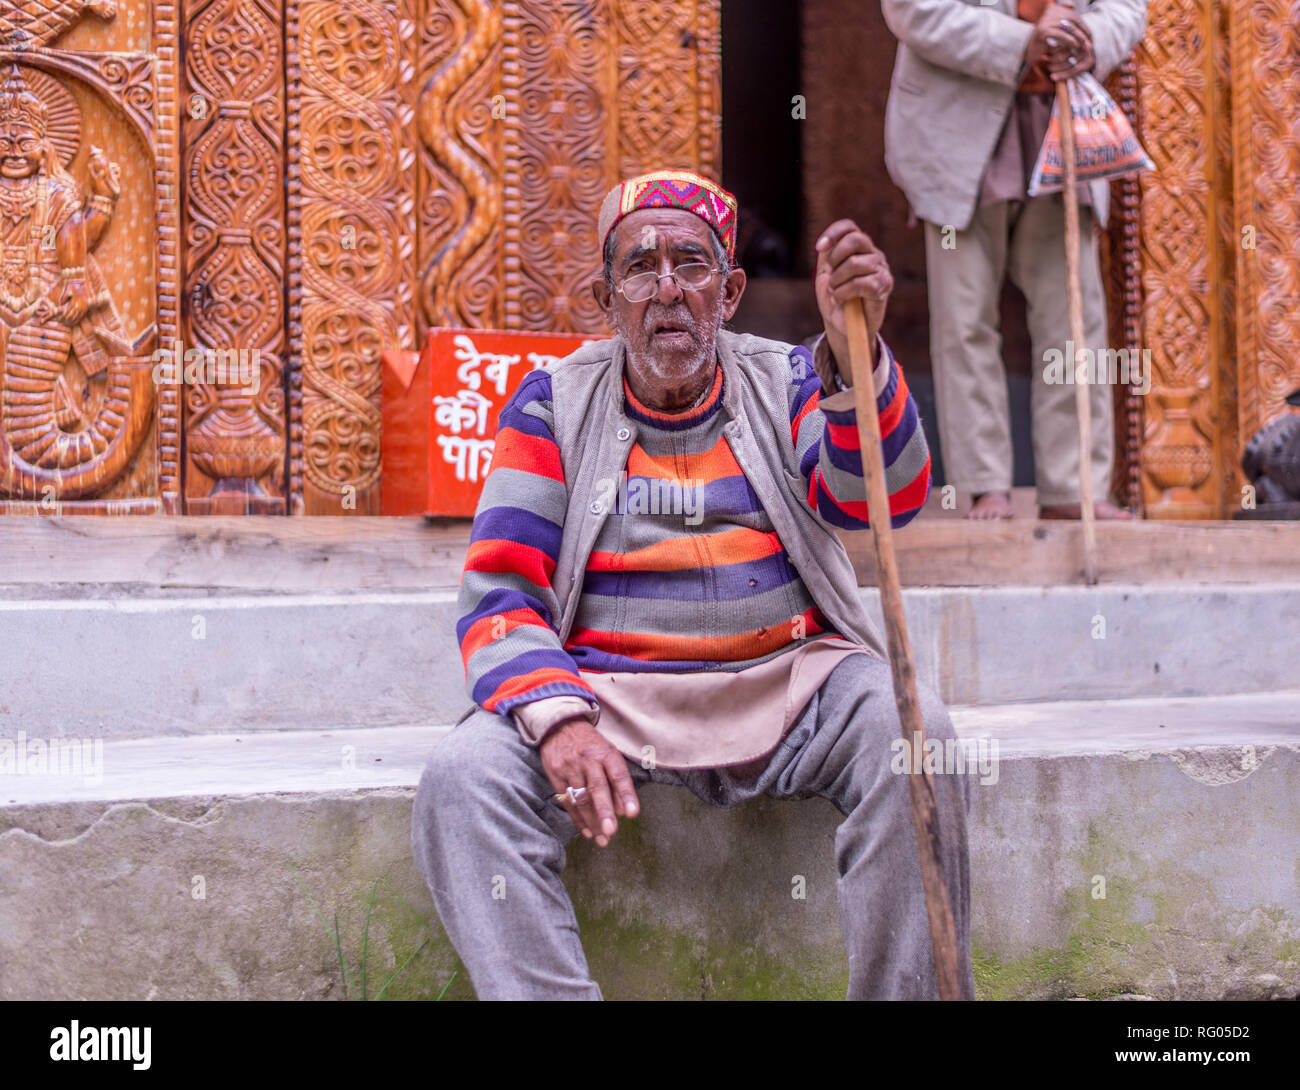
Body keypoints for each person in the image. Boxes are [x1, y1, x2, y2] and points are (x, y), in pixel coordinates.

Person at [411, 168, 974, 1000]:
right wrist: (558, 717)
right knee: (462, 783)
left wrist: (856, 361)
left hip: (793, 683)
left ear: (731, 290)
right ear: (606, 297)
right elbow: (501, 594)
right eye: (640, 268)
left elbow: (879, 499)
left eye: (692, 264)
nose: (667, 290)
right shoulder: (552, 404)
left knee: (913, 739)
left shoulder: (786, 380)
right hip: (610, 695)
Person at [882, 0, 1148, 519]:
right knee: (966, 318)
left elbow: (1128, 9)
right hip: (957, 132)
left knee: (1074, 318)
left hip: (1065, 127)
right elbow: (912, 10)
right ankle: (985, 483)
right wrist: (1022, 42)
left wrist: (1087, 37)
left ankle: (1074, 489)